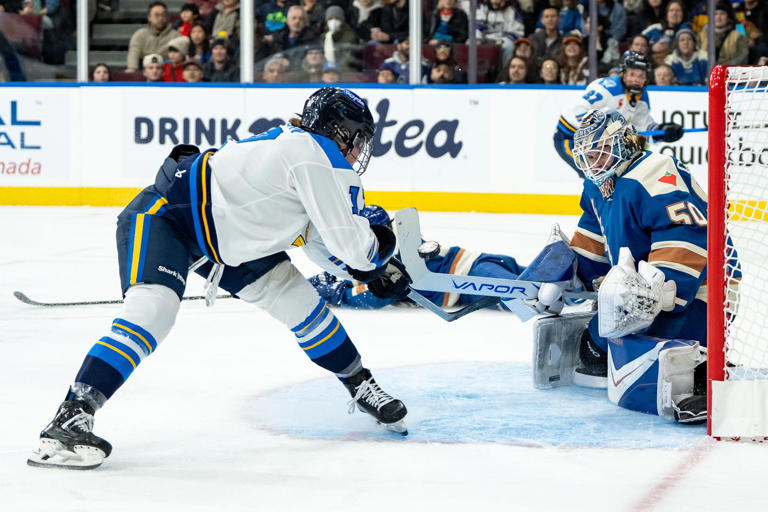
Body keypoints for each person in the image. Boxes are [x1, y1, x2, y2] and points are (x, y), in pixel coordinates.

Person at [27, 87, 410, 470]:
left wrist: (364, 272)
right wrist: (379, 253)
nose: (361, 151)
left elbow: (320, 242)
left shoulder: (306, 154)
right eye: (358, 139)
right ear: (339, 131)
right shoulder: (312, 155)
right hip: (167, 218)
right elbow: (354, 245)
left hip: (230, 242)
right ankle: (70, 418)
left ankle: (360, 385)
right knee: (152, 314)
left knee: (302, 305)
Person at [558, 108, 709, 424]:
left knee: (667, 363)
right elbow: (592, 247)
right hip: (641, 293)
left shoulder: (656, 170)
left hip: (700, 289)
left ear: (623, 145)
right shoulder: (596, 186)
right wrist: (566, 278)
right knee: (594, 351)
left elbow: (687, 235)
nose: (592, 165)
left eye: (599, 154)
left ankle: (709, 375)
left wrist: (663, 291)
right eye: (585, 158)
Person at [309, 205, 526, 311]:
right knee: (530, 292)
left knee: (523, 295)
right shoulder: (384, 253)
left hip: (472, 270)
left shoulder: (399, 251)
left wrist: (340, 294)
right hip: (465, 292)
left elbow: (376, 295)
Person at [553, 50, 684, 178]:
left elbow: (641, 129)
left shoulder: (642, 97)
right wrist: (607, 129)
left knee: (627, 164)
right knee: (597, 176)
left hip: (602, 145)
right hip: (571, 137)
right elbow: (579, 111)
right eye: (632, 74)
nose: (636, 80)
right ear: (623, 74)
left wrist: (660, 132)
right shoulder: (607, 88)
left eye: (641, 76)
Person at [126, 1, 181, 72]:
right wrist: (132, 69)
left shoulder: (176, 35)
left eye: (163, 15)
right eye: (157, 15)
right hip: (145, 71)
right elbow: (133, 54)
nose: (161, 18)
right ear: (149, 17)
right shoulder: (140, 34)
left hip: (169, 71)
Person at [474, 0, 525, 68]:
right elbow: (477, 26)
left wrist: (502, 40)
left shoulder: (513, 9)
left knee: (508, 46)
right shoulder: (483, 6)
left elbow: (518, 32)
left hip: (504, 40)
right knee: (471, 43)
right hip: (484, 40)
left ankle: (505, 71)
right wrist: (477, 38)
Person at [700, 1, 749, 66]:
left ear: (728, 17)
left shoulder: (738, 32)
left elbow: (743, 57)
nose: (718, 17)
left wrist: (724, 68)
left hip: (729, 71)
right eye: (715, 14)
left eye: (722, 14)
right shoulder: (704, 33)